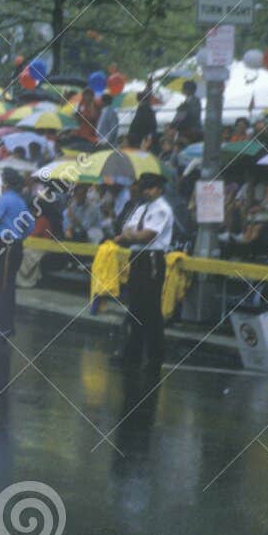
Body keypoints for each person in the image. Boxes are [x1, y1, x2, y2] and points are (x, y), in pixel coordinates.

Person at [114, 173, 174, 372]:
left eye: (150, 187)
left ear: (159, 189)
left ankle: (155, 357)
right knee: (135, 306)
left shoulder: (162, 209)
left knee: (151, 309)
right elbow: (125, 231)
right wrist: (131, 235)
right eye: (144, 187)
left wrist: (131, 235)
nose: (146, 191)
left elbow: (146, 236)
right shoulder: (140, 208)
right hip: (137, 258)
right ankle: (134, 353)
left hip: (152, 258)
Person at [0, 163, 37, 341]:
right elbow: (30, 225)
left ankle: (2, 327)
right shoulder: (19, 200)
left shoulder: (4, 200)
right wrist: (19, 236)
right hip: (14, 246)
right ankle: (6, 326)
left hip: (1, 246)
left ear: (5, 184)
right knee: (7, 287)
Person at [127, 87, 158, 151]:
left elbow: (138, 123)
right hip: (142, 136)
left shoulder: (142, 108)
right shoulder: (148, 109)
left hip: (139, 137)